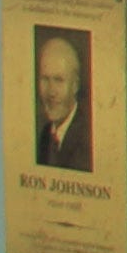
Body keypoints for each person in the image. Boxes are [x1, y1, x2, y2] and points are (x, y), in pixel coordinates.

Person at [32, 26, 95, 174]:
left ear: (75, 85)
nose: (51, 91)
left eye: (59, 80)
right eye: (45, 79)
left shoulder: (88, 139)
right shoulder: (45, 137)